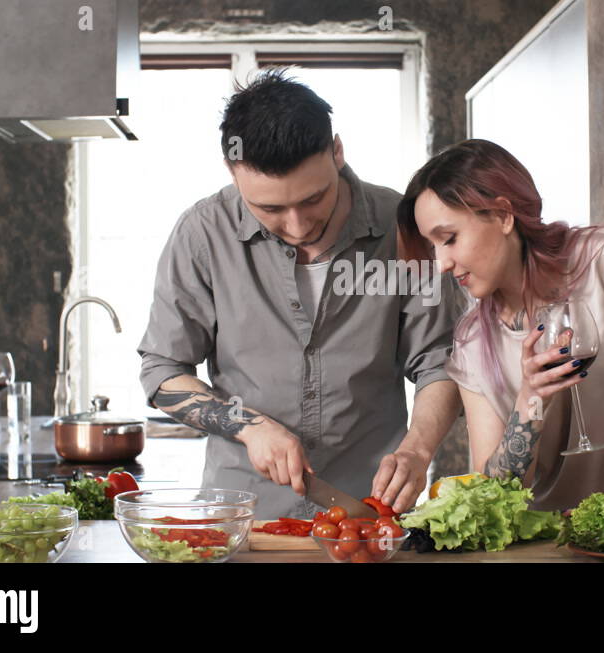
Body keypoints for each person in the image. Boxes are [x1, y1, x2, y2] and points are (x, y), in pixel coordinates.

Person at [138, 69, 461, 519]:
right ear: (233, 172)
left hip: (366, 513)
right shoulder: (202, 234)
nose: (297, 224)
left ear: (337, 152)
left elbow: (439, 361)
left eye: (313, 198)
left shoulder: (402, 226)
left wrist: (418, 449)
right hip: (241, 518)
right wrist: (247, 426)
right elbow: (163, 370)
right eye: (269, 208)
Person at [396, 139, 604, 513]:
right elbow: (497, 490)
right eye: (432, 247)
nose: (442, 263)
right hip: (555, 535)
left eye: (449, 239)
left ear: (502, 215)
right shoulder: (471, 342)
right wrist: (530, 397)